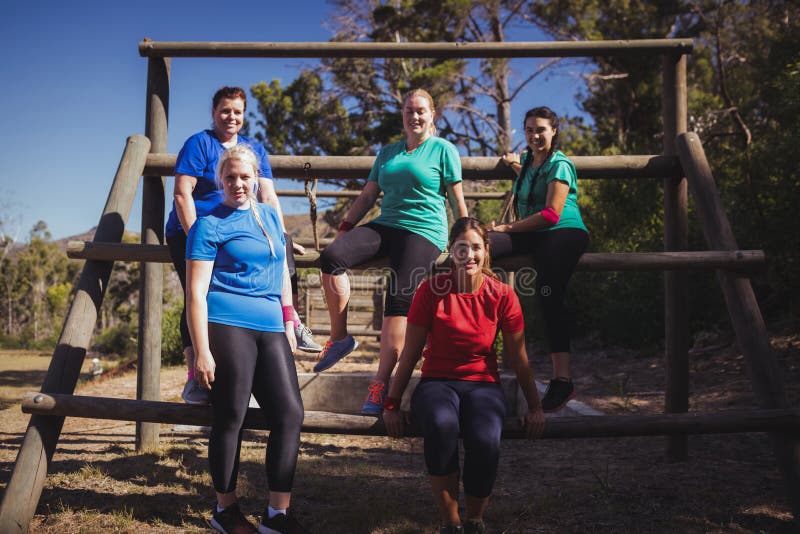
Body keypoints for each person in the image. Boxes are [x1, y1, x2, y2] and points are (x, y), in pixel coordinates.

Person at [383, 217, 545, 534]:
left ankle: (474, 521)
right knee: (442, 424)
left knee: (485, 438)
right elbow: (411, 353)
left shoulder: (503, 295)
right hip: (436, 383)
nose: (468, 255)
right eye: (462, 248)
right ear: (450, 250)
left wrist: (535, 407)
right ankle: (451, 523)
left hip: (483, 384)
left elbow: (520, 358)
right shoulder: (430, 291)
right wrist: (391, 403)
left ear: (486, 251)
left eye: (475, 248)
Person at [314, 88, 469, 415]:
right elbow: (368, 195)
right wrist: (346, 226)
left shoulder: (443, 150)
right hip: (387, 225)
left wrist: (464, 233)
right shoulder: (388, 153)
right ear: (402, 115)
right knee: (330, 258)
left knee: (399, 296)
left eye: (421, 111)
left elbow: (456, 198)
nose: (415, 116)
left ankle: (381, 384)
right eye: (409, 111)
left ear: (432, 115)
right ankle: (340, 338)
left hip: (424, 230)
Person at [166, 86, 321, 406]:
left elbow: (267, 195)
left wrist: (279, 234)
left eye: (237, 111)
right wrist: (200, 237)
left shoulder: (254, 148)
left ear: (243, 115)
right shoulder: (199, 144)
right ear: (214, 113)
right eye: (225, 110)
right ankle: (195, 373)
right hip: (196, 227)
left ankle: (291, 318)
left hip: (243, 226)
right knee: (198, 292)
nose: (231, 117)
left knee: (282, 248)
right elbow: (183, 193)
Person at [186, 144, 309, 534]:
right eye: (230, 177)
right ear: (220, 180)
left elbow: (282, 278)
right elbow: (195, 293)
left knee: (290, 414)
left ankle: (277, 517)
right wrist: (202, 351)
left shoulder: (271, 217)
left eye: (245, 176)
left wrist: (290, 324)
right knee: (231, 416)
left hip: (271, 325)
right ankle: (225, 511)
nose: (238, 184)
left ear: (255, 178)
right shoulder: (209, 224)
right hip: (227, 323)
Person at [487, 106, 589, 412]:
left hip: (563, 231)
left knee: (548, 294)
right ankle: (475, 343)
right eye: (529, 130)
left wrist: (506, 227)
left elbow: (550, 213)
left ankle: (562, 380)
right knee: (479, 249)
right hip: (533, 232)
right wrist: (514, 165)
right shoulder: (531, 161)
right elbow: (530, 178)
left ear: (554, 130)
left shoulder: (560, 163)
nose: (534, 135)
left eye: (541, 129)